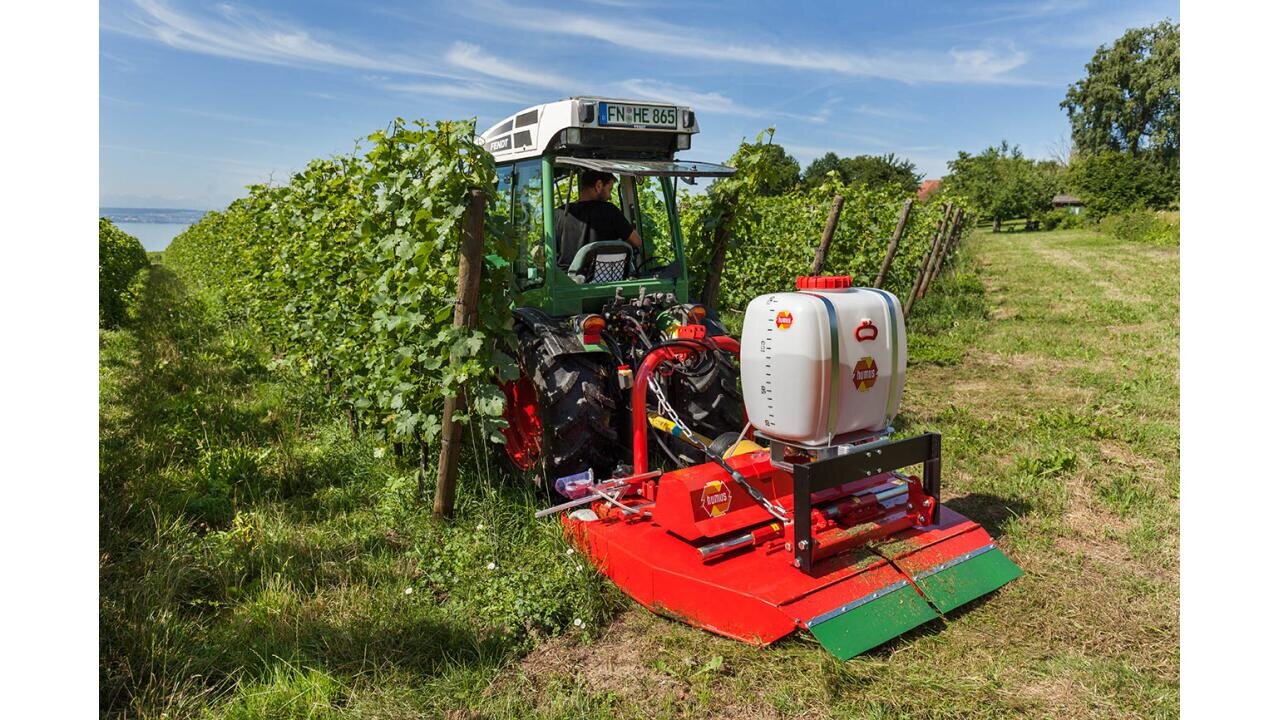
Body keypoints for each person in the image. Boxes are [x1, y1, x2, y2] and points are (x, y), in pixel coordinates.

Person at [555, 170, 643, 270]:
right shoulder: (610, 211)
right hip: (604, 281)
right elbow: (636, 242)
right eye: (609, 190)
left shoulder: (559, 214)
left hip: (568, 282)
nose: (609, 197)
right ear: (599, 185)